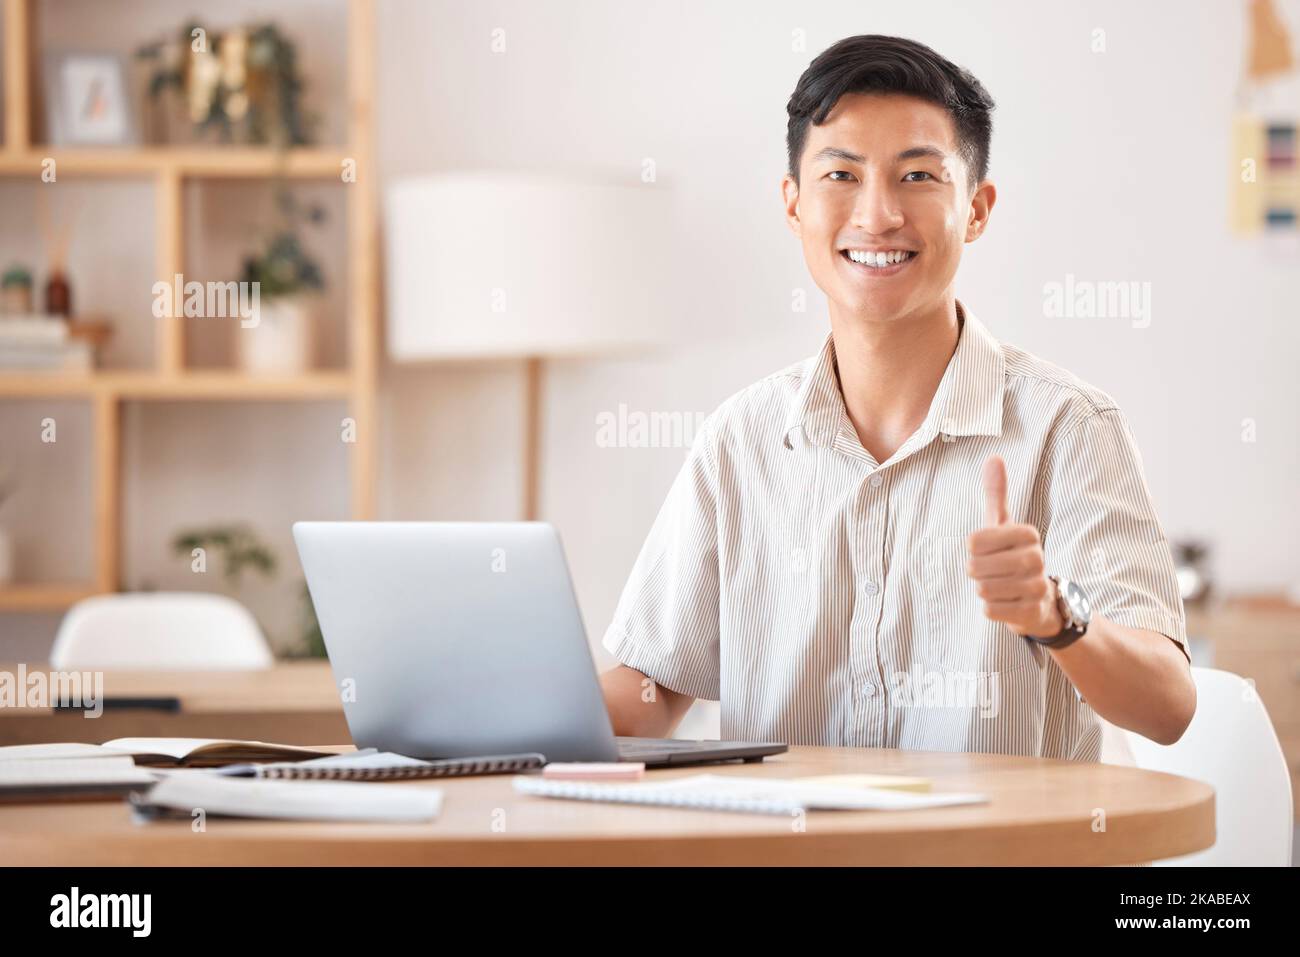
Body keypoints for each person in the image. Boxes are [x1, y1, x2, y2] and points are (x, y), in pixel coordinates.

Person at [598, 34, 1194, 761]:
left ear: (976, 208)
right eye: (841, 175)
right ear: (793, 205)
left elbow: (1167, 705)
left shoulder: (1068, 427)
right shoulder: (740, 440)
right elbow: (647, 697)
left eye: (917, 176)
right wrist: (482, 718)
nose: (877, 215)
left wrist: (1056, 614)